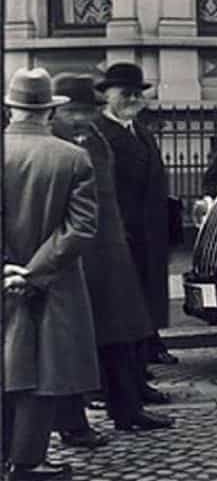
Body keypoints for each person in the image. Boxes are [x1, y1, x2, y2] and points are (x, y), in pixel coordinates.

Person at [50, 74, 174, 440]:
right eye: (80, 110)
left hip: (111, 249)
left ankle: (128, 408)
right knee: (78, 342)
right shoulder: (63, 143)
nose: (87, 116)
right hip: (83, 254)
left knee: (122, 334)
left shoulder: (93, 137)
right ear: (60, 110)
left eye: (90, 109)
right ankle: (81, 422)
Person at [2, 68, 100, 480]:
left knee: (8, 368)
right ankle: (27, 461)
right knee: (45, 372)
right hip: (54, 282)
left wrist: (7, 268)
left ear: (12, 108)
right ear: (47, 111)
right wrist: (34, 271)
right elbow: (80, 228)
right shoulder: (72, 157)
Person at [94, 62, 178, 366]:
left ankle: (145, 357)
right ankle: (131, 372)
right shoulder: (99, 134)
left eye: (137, 93)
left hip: (149, 233)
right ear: (107, 96)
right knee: (122, 308)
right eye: (124, 93)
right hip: (120, 234)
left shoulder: (142, 133)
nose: (132, 99)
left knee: (146, 297)